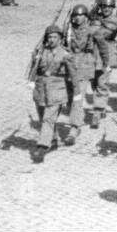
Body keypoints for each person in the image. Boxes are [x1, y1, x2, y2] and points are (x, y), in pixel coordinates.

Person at [28, 25, 75, 163]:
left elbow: (74, 75)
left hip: (57, 89)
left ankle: (42, 146)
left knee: (48, 118)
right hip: (41, 88)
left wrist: (76, 93)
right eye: (49, 37)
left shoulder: (66, 54)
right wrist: (34, 58)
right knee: (43, 116)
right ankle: (53, 140)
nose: (52, 39)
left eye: (55, 37)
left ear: (60, 39)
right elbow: (34, 69)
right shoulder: (41, 52)